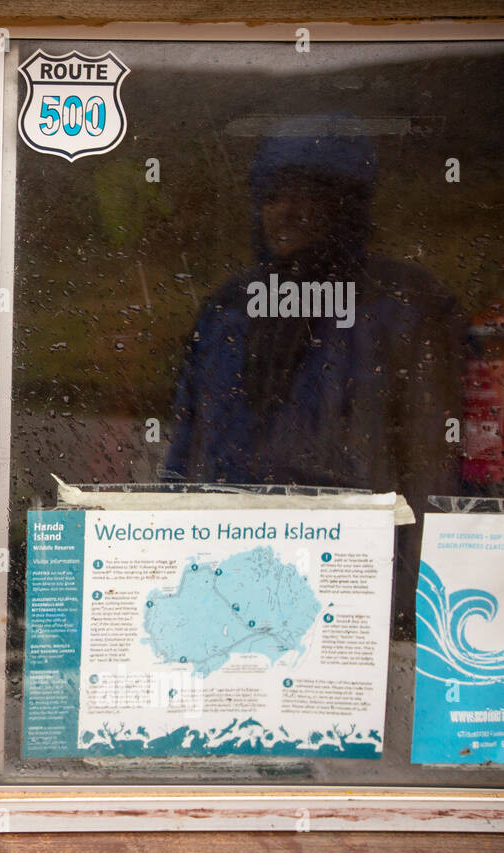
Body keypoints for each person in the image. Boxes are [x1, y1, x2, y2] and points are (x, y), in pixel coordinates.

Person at [163, 116, 465, 631]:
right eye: (274, 196)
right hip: (230, 574)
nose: (288, 211)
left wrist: (419, 606)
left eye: (311, 195)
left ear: (346, 207)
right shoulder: (228, 312)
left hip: (360, 575)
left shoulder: (403, 307)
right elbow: (185, 456)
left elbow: (429, 465)